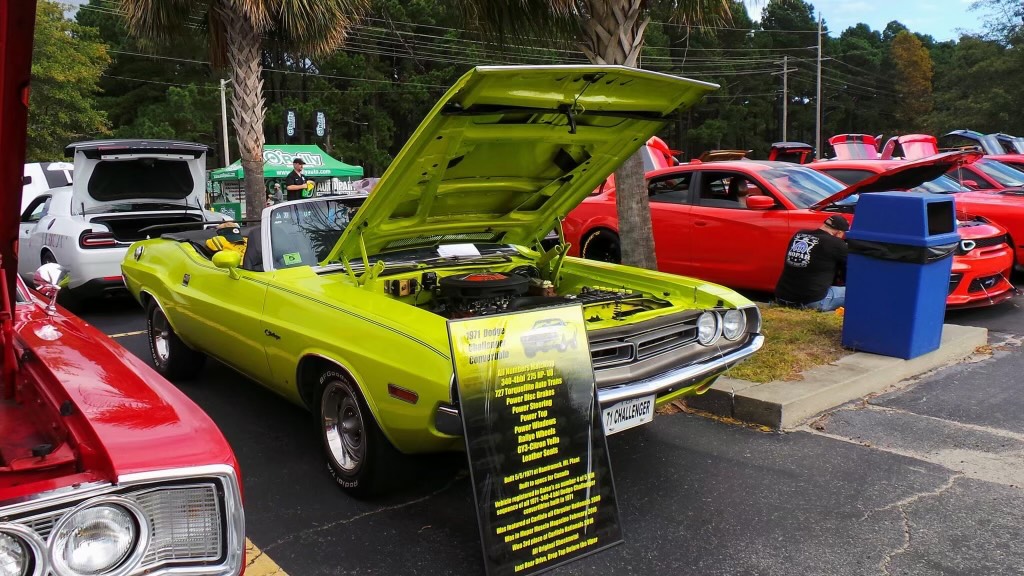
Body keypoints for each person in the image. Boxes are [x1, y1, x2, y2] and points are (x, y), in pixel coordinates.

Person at [775, 214, 849, 311]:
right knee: (859, 291)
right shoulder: (837, 244)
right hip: (811, 302)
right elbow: (849, 270)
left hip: (781, 297)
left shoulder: (799, 235)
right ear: (839, 233)